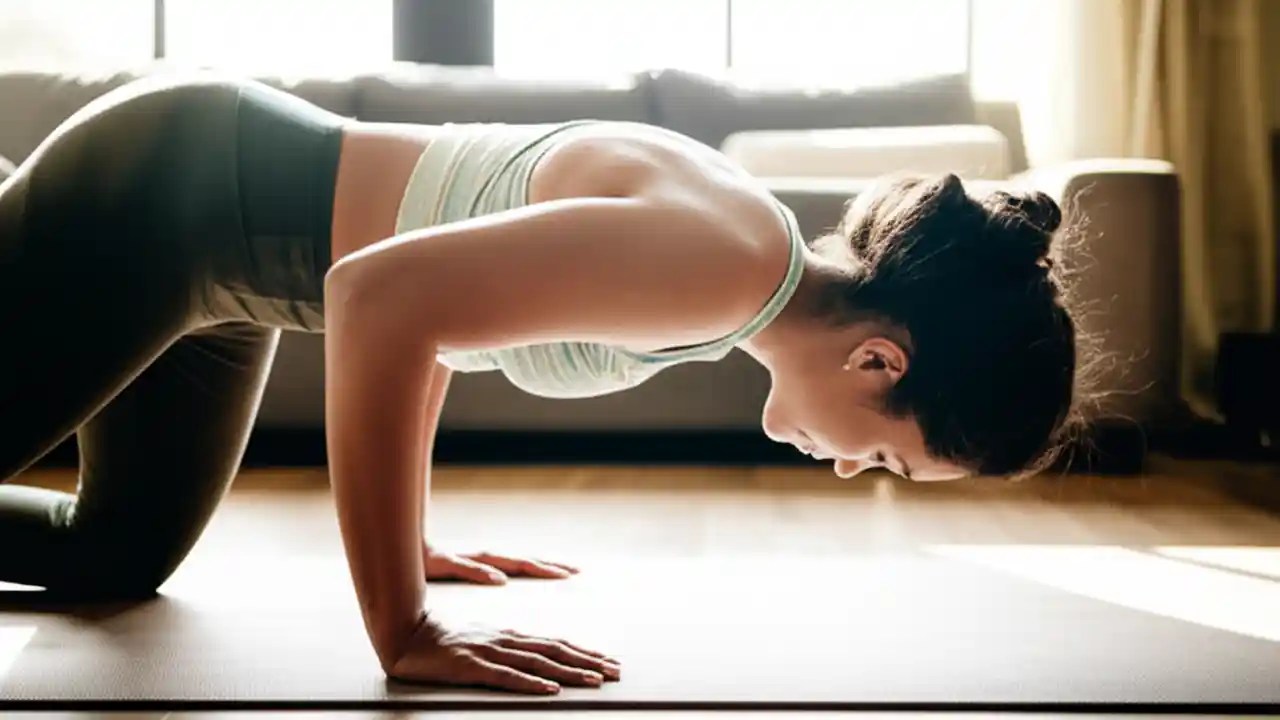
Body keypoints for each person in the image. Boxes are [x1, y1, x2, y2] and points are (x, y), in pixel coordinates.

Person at [0, 72, 1093, 694]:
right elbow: (379, 299)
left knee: (116, 555)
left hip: (235, 277)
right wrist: (404, 627)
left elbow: (427, 301)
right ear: (877, 362)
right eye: (887, 456)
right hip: (172, 201)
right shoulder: (721, 265)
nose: (852, 468)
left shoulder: (738, 272)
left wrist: (408, 536)